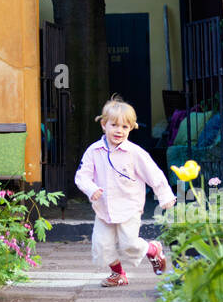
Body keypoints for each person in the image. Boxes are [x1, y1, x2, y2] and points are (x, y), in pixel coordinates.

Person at [75, 95, 175, 287]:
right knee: (101, 246)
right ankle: (119, 274)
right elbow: (82, 176)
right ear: (104, 125)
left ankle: (153, 249)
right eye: (114, 125)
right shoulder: (94, 151)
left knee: (129, 244)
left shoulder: (135, 153)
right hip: (103, 209)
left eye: (124, 127)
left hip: (129, 207)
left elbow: (154, 174)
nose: (119, 131)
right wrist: (91, 188)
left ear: (131, 128)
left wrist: (165, 196)